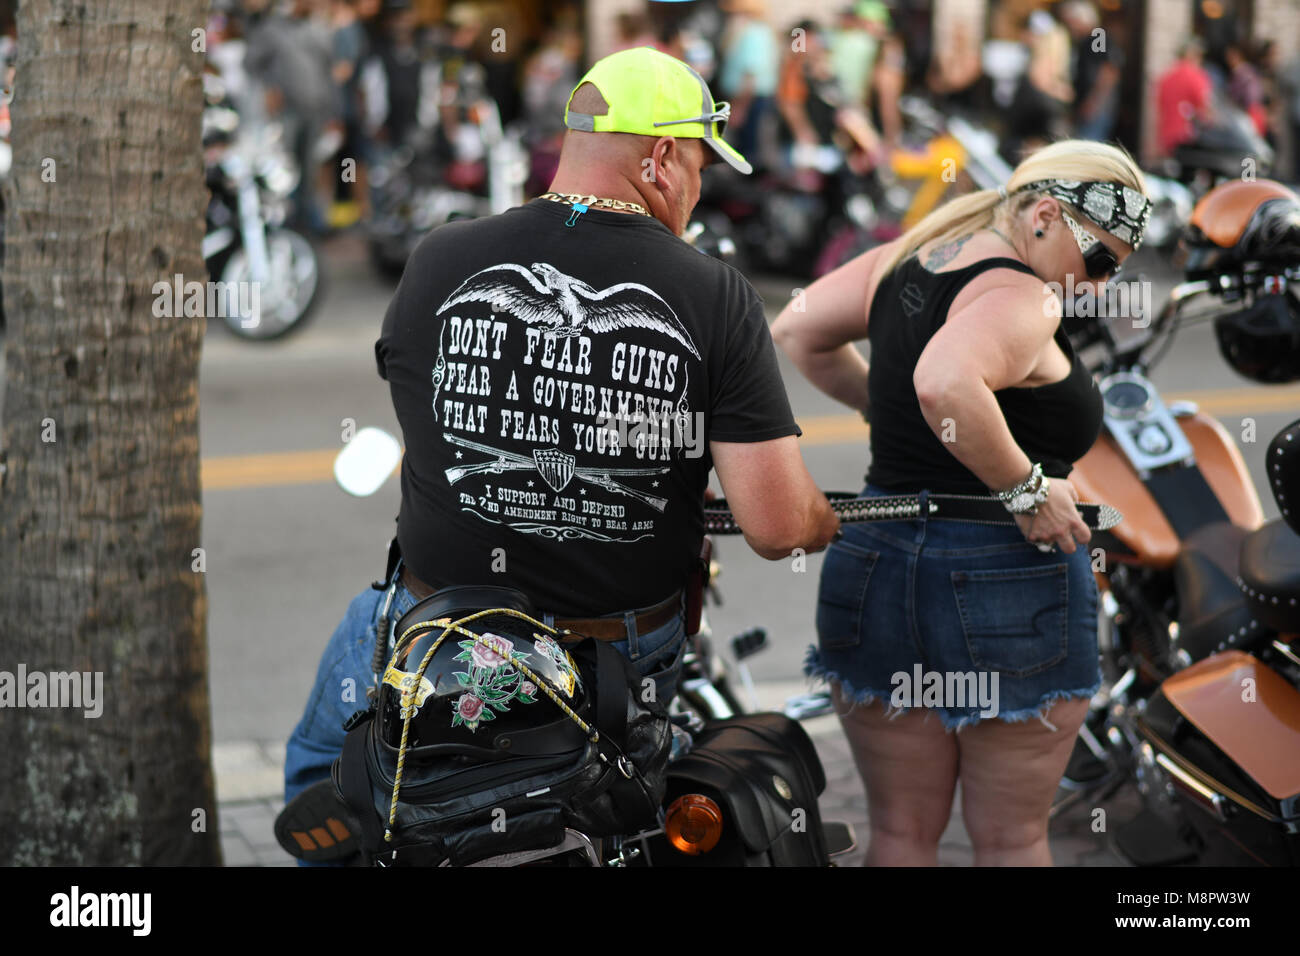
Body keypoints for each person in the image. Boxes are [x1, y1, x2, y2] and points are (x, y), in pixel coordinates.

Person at [284, 46, 839, 810]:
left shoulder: (440, 256)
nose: (697, 194)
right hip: (609, 656)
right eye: (702, 172)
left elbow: (428, 413)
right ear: (662, 160)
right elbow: (776, 526)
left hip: (430, 630)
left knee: (320, 788)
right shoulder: (714, 293)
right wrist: (824, 521)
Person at [772, 139, 1149, 866]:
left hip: (875, 562)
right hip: (1009, 574)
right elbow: (945, 382)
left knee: (902, 836)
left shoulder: (915, 253)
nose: (1098, 288)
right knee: (1011, 840)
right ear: (1045, 215)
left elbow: (799, 329)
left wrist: (884, 415)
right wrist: (1026, 488)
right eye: (1099, 261)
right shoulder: (1022, 294)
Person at [1059, 0, 1121, 142]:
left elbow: (1108, 70)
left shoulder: (1097, 36)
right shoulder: (1086, 40)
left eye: (1072, 22)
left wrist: (1094, 102)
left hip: (1096, 107)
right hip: (1089, 106)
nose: (1070, 27)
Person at [1155, 38, 1214, 158]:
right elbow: (1206, 107)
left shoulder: (1166, 76)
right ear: (1190, 54)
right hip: (1188, 138)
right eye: (1199, 55)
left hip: (1167, 136)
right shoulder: (1195, 76)